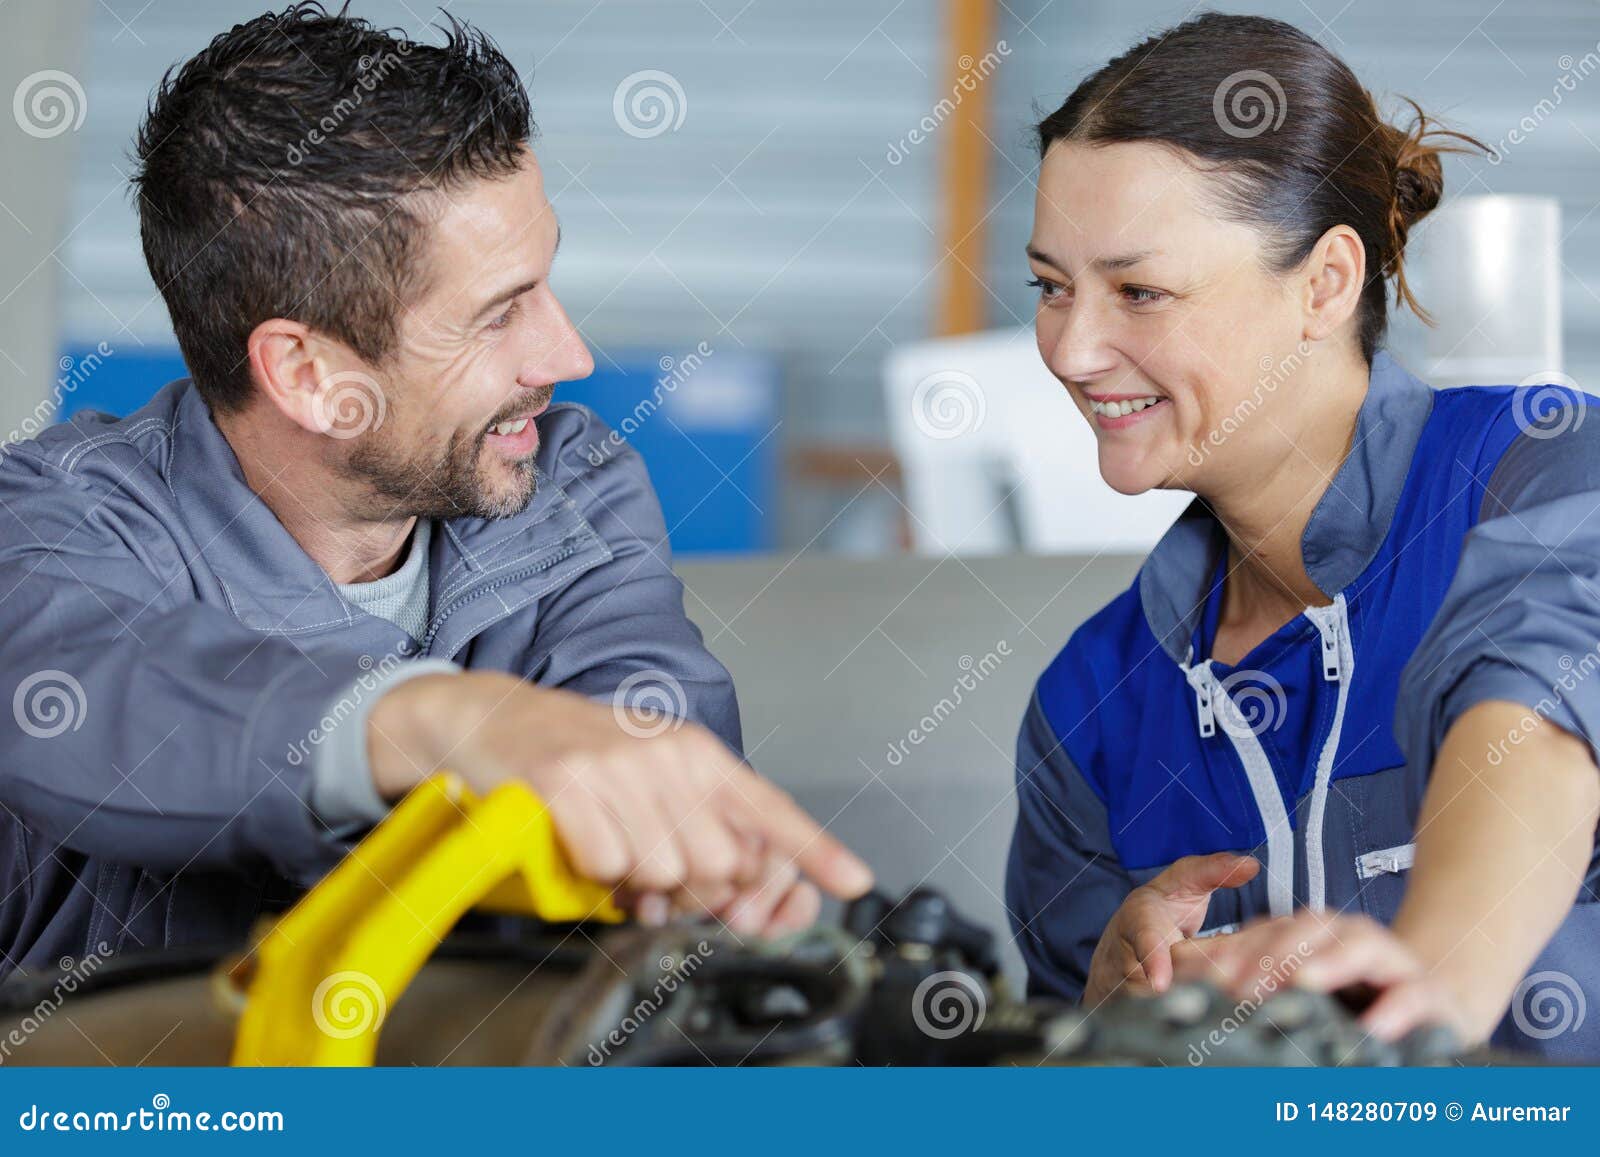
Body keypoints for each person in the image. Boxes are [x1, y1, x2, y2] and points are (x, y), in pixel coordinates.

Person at [0, 4, 870, 976]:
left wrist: (675, 845)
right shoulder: (48, 523)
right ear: (309, 376)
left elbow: (646, 729)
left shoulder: (567, 484)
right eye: (499, 315)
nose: (568, 354)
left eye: (545, 285)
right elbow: (85, 694)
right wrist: (449, 721)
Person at [1006, 13, 1600, 1059]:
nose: (1072, 348)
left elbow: (1535, 719)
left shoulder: (1540, 473)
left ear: (1325, 282)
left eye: (1138, 290)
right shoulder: (1088, 702)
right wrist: (1102, 1013)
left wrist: (1425, 989)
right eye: (1051, 287)